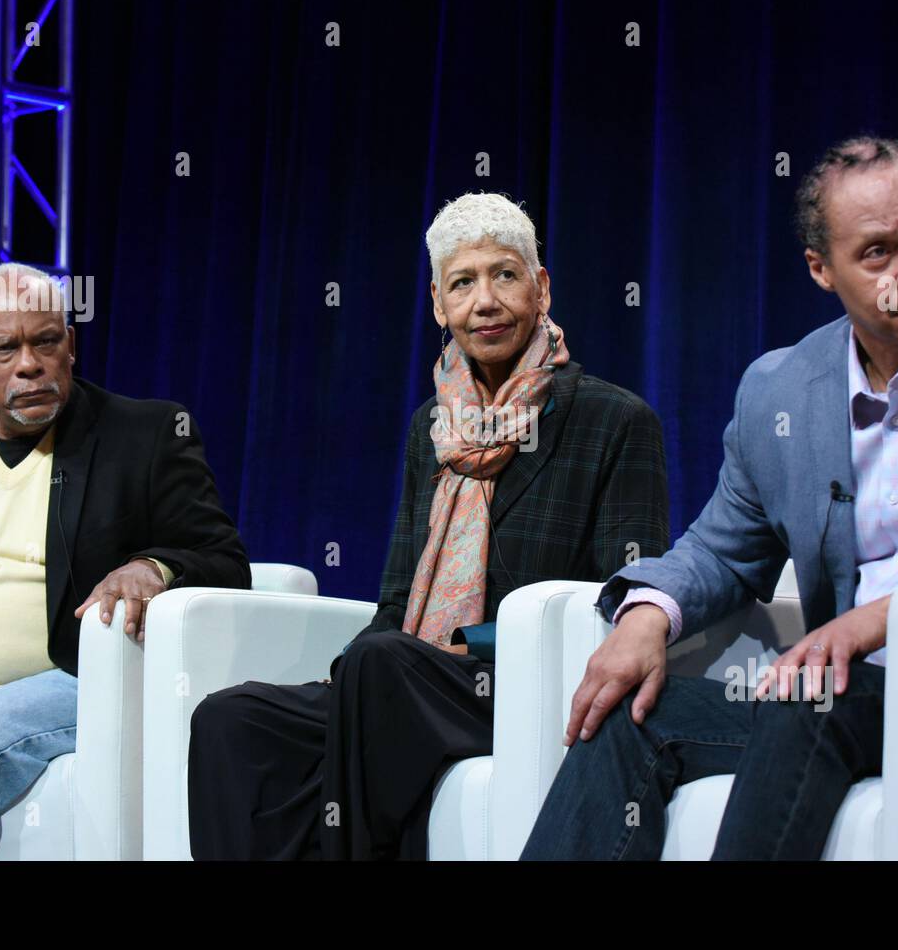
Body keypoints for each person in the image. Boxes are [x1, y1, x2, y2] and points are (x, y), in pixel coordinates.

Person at [521, 137, 898, 860]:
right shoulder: (783, 388)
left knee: (806, 695)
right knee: (631, 717)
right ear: (822, 270)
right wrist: (648, 615)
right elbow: (725, 545)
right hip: (841, 706)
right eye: (878, 253)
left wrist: (882, 619)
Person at [187, 193, 671, 859]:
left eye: (505, 275)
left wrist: (467, 645)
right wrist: (346, 672)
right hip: (406, 681)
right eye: (462, 284)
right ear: (440, 306)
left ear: (542, 287)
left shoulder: (613, 419)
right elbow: (395, 601)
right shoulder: (432, 428)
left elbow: (615, 597)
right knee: (232, 718)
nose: (486, 302)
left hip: (525, 681)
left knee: (382, 664)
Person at [0, 262, 250, 860]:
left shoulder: (147, 434)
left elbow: (223, 558)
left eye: (46, 342)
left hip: (74, 682)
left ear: (71, 346)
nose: (29, 364)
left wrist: (154, 568)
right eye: (4, 348)